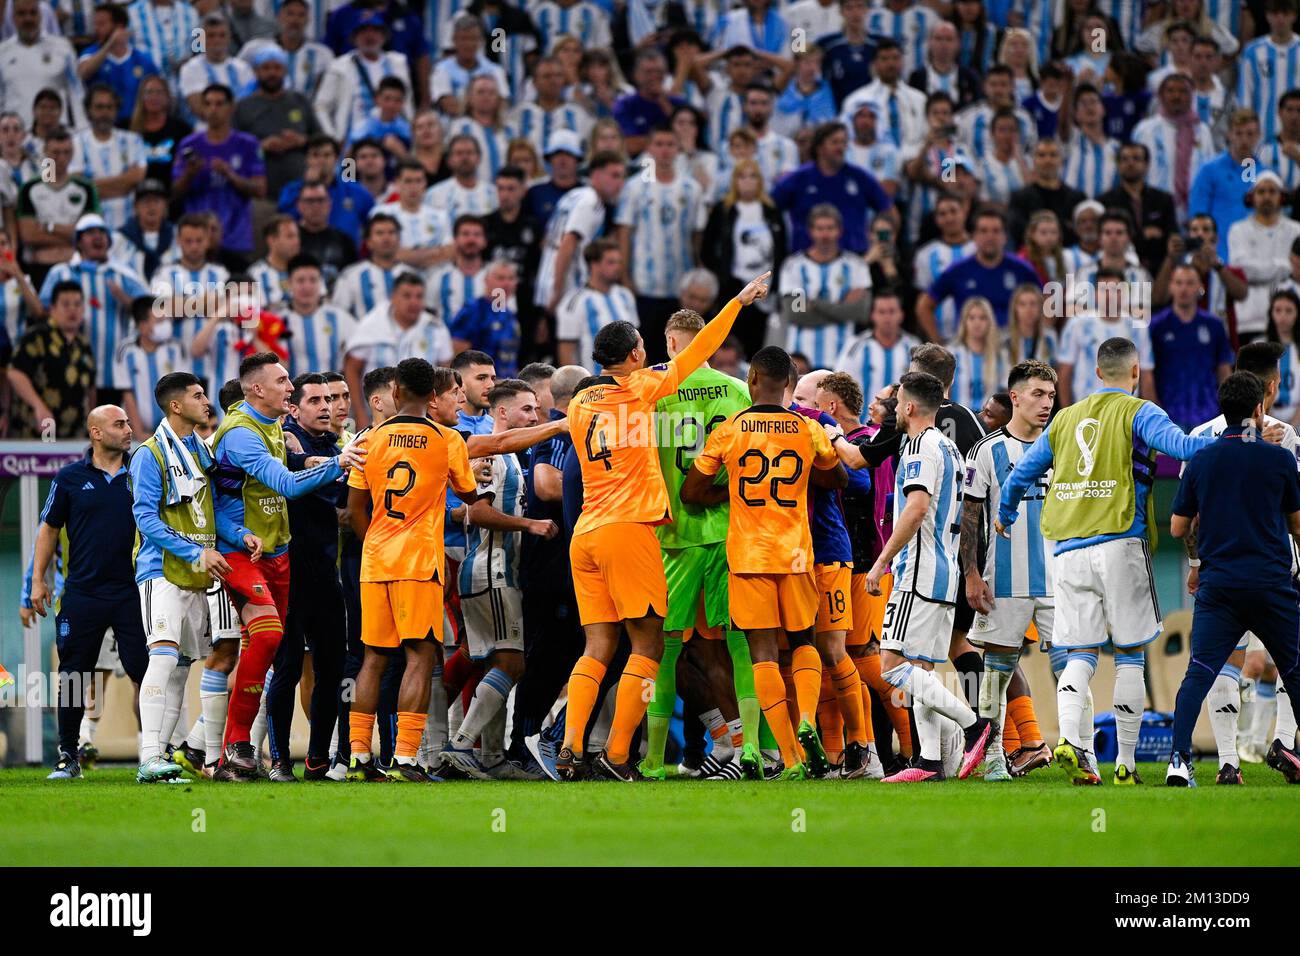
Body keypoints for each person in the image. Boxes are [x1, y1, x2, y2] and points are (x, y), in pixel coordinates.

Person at [548, 270, 769, 781]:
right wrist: (737, 300)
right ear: (632, 357)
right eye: (642, 347)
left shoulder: (580, 401)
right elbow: (700, 351)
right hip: (632, 530)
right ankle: (619, 756)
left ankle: (571, 748)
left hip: (586, 535)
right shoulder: (643, 388)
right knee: (648, 646)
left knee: (597, 648)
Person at [999, 336, 1211, 785]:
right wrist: (1236, 441)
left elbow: (1021, 474)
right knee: (1131, 654)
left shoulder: (1063, 420)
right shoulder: (1140, 411)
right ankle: (1126, 767)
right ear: (1135, 373)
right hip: (1121, 543)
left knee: (1079, 652)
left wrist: (1005, 512)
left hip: (1068, 550)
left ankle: (1073, 742)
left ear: (1097, 374)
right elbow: (1183, 448)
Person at [677, 346, 839, 779]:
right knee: (804, 641)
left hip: (748, 556)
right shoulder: (807, 427)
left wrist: (730, 492)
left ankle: (789, 757)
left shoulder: (730, 430)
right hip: (796, 554)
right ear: (789, 384)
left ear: (751, 381)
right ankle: (807, 719)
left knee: (762, 653)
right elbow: (838, 477)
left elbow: (691, 492)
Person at [208, 351, 364, 780]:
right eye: (283, 382)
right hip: (241, 553)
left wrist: (309, 459)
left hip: (280, 555)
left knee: (292, 653)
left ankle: (232, 754)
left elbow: (285, 468)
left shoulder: (274, 428)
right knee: (272, 643)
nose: (289, 387)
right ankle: (235, 745)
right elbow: (283, 485)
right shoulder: (240, 433)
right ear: (258, 388)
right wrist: (337, 464)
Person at [848, 370, 992, 783]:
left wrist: (880, 564)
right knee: (921, 670)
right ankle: (929, 762)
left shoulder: (918, 448)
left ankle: (974, 725)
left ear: (909, 407)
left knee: (891, 665)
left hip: (918, 571)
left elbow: (914, 510)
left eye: (897, 403)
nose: (893, 409)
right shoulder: (948, 447)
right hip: (944, 572)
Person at [344, 358, 478, 782]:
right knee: (421, 656)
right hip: (419, 561)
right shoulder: (448, 440)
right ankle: (404, 759)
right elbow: (469, 493)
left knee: (373, 659)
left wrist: (377, 546)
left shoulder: (370, 439)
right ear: (434, 396)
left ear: (396, 390)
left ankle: (359, 758)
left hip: (375, 560)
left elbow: (353, 511)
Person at [1167, 370, 1300, 787]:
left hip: (1220, 586)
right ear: (1259, 410)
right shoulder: (1279, 458)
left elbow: (1176, 526)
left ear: (1223, 413)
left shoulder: (1203, 458)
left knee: (1200, 672)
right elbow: (1297, 524)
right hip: (1271, 585)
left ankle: (1178, 761)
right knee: (1294, 670)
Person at [641, 309, 758, 780]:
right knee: (740, 646)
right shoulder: (737, 391)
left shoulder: (652, 390)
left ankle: (651, 759)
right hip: (730, 534)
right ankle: (749, 747)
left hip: (672, 537)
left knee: (664, 649)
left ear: (671, 342)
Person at [130, 373, 253, 783]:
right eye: (198, 396)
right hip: (162, 571)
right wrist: (196, 552)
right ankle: (148, 756)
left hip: (196, 573)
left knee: (181, 667)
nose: (206, 401)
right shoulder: (151, 454)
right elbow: (145, 517)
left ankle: (161, 756)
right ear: (175, 406)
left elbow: (211, 513)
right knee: (163, 657)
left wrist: (239, 535)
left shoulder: (200, 451)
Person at [439, 379, 557, 777]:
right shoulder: (489, 458)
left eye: (537, 410)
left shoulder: (510, 458)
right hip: (491, 569)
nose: (534, 417)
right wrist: (531, 524)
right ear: (501, 413)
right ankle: (458, 745)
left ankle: (490, 756)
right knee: (511, 663)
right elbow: (477, 512)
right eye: (526, 409)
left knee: (489, 662)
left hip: (499, 571)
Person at [36, 404, 146, 780]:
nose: (128, 428)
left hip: (134, 590)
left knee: (146, 675)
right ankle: (68, 755)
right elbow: (48, 529)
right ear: (96, 433)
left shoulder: (143, 471)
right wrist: (38, 580)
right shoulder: (68, 478)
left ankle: (152, 755)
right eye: (120, 424)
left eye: (129, 422)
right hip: (82, 593)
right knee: (73, 677)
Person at [961, 360, 1058, 781]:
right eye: (1037, 394)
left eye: (1051, 396)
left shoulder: (1064, 445)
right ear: (1015, 397)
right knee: (997, 670)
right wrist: (971, 574)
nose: (1046, 403)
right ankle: (996, 754)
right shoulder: (986, 451)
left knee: (1074, 665)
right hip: (1004, 579)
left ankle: (1082, 752)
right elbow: (969, 516)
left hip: (1058, 578)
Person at [264, 373, 349, 782]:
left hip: (324, 576)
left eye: (330, 400)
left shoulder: (335, 446)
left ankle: (317, 759)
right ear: (294, 409)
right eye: (315, 400)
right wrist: (330, 468)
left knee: (332, 670)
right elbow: (301, 483)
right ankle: (280, 760)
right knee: (288, 668)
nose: (327, 407)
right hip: (286, 576)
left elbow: (344, 497)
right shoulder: (281, 446)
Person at [614, 124, 708, 357]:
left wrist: (697, 273)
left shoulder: (691, 189)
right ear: (649, 148)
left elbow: (697, 237)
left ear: (678, 149)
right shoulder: (635, 187)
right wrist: (625, 277)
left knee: (679, 351)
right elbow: (624, 232)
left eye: (670, 144)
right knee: (643, 349)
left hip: (681, 285)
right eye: (659, 144)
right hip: (644, 284)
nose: (665, 150)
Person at [171, 85, 267, 266]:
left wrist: (230, 174)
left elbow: (260, 190)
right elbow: (175, 193)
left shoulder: (248, 144)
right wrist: (190, 174)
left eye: (219, 104)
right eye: (207, 104)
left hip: (236, 237)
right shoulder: (189, 145)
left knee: (236, 292)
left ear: (231, 107)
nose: (213, 110)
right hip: (196, 240)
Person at [343, 271, 451, 426]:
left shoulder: (436, 329)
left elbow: (445, 377)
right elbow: (352, 370)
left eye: (419, 296)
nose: (413, 302)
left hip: (423, 416)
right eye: (407, 296)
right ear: (393, 297)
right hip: (379, 416)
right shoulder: (372, 326)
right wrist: (360, 414)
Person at [770, 121, 893, 255]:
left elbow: (886, 212)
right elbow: (770, 207)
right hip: (805, 259)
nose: (841, 147)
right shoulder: (798, 178)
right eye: (835, 142)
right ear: (820, 147)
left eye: (844, 142)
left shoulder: (860, 177)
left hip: (854, 258)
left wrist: (883, 248)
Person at [917, 207, 1039, 339]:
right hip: (969, 349)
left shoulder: (1021, 268)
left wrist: (1042, 335)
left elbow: (1049, 298)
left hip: (1010, 347)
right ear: (974, 236)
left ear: (1005, 237)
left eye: (996, 231)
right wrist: (938, 344)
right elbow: (924, 306)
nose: (990, 236)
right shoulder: (958, 270)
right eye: (983, 231)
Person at [777, 203, 871, 371]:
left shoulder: (857, 266)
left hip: (841, 358)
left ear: (840, 230)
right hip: (801, 359)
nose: (825, 234)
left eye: (830, 228)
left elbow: (861, 313)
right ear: (811, 231)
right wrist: (842, 308)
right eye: (820, 228)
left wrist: (814, 304)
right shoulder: (793, 266)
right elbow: (795, 314)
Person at [535, 150, 626, 314]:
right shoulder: (590, 203)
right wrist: (557, 290)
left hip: (545, 281)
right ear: (597, 175)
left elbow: (547, 239)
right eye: (614, 175)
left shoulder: (574, 195)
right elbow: (568, 243)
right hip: (565, 287)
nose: (620, 183)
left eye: (621, 177)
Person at [1149, 263, 1234, 431]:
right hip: (1168, 414)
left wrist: (1228, 409)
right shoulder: (1157, 325)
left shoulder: (1214, 325)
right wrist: (1153, 412)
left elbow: (1224, 369)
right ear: (1171, 286)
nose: (1184, 289)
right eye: (1179, 283)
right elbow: (1147, 372)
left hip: (1209, 413)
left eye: (1189, 283)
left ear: (1200, 287)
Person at [7, 280, 94, 437]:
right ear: (52, 309)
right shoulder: (37, 336)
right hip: (36, 430)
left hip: (75, 434)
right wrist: (38, 406)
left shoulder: (84, 345)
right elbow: (15, 374)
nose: (72, 310)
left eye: (77, 304)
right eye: (66, 304)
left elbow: (90, 388)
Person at [234, 47, 322, 200]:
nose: (272, 73)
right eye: (266, 68)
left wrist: (301, 141)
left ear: (285, 71)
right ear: (256, 72)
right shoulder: (243, 106)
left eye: (277, 68)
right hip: (260, 192)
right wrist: (261, 146)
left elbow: (320, 140)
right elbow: (234, 147)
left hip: (300, 191)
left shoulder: (299, 101)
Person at [16, 127, 99, 281]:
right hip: (41, 267)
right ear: (45, 152)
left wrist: (49, 227)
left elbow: (91, 235)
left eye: (66, 152)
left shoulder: (86, 188)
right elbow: (28, 236)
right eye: (56, 152)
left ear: (73, 153)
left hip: (77, 264)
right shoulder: (30, 188)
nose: (61, 158)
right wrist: (73, 233)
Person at [1131, 73, 1216, 222]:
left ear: (1192, 95)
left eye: (1183, 91)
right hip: (1154, 209)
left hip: (1194, 211)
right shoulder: (1145, 130)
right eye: (1170, 91)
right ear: (1161, 96)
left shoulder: (1202, 131)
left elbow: (1209, 172)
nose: (1176, 96)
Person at [1228, 172, 1300, 344]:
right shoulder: (1238, 230)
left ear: (1281, 196)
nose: (1266, 196)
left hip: (1292, 321)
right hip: (1249, 318)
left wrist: (1259, 270)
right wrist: (1285, 267)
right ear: (1252, 197)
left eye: (1272, 191)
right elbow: (1242, 270)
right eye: (1261, 192)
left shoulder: (1296, 230)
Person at [1189, 110, 1267, 261]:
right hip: (1217, 255)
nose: (1244, 140)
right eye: (1239, 133)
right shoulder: (1209, 171)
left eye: (1250, 134)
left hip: (1254, 255)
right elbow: (1197, 216)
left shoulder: (1264, 176)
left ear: (1259, 136)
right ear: (1229, 134)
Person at [555, 238, 638, 369]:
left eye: (619, 262)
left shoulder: (626, 296)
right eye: (611, 262)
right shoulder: (574, 302)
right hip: (595, 385)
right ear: (594, 265)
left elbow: (638, 344)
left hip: (630, 384)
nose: (617, 267)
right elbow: (566, 350)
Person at [0, 0, 84, 129]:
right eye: (22, 14)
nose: (28, 18)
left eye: (33, 13)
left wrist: (82, 128)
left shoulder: (63, 48)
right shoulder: (2, 52)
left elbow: (76, 92)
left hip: (55, 136)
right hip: (17, 136)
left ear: (41, 15)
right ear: (13, 18)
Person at [834, 290, 920, 412]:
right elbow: (840, 385)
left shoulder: (914, 347)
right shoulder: (855, 346)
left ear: (901, 314)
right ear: (872, 315)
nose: (887, 317)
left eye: (892, 311)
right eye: (881, 312)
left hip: (904, 424)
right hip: (865, 424)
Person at [76, 2, 160, 125]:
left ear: (119, 27)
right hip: (101, 124)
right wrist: (109, 44)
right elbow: (82, 73)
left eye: (102, 24)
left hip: (135, 124)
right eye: (95, 24)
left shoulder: (142, 58)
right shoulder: (90, 53)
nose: (96, 29)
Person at [113, 295, 186, 433]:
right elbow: (127, 393)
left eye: (166, 319)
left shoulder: (176, 348)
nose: (165, 324)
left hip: (172, 428)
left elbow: (180, 392)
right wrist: (139, 432)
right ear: (142, 326)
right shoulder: (125, 351)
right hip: (135, 429)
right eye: (159, 321)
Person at [449, 259, 521, 377]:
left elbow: (510, 358)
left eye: (511, 278)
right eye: (500, 278)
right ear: (486, 280)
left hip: (507, 386)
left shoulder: (510, 314)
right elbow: (457, 359)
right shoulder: (473, 311)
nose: (506, 283)